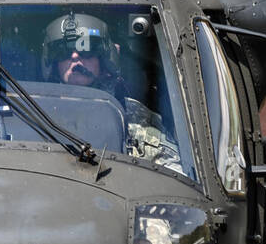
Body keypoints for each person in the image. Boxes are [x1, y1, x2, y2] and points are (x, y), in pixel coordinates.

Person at [41, 12, 184, 173]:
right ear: (54, 63)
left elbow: (172, 175)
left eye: (87, 49)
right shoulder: (36, 112)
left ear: (106, 59)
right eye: (63, 52)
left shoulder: (134, 119)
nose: (75, 56)